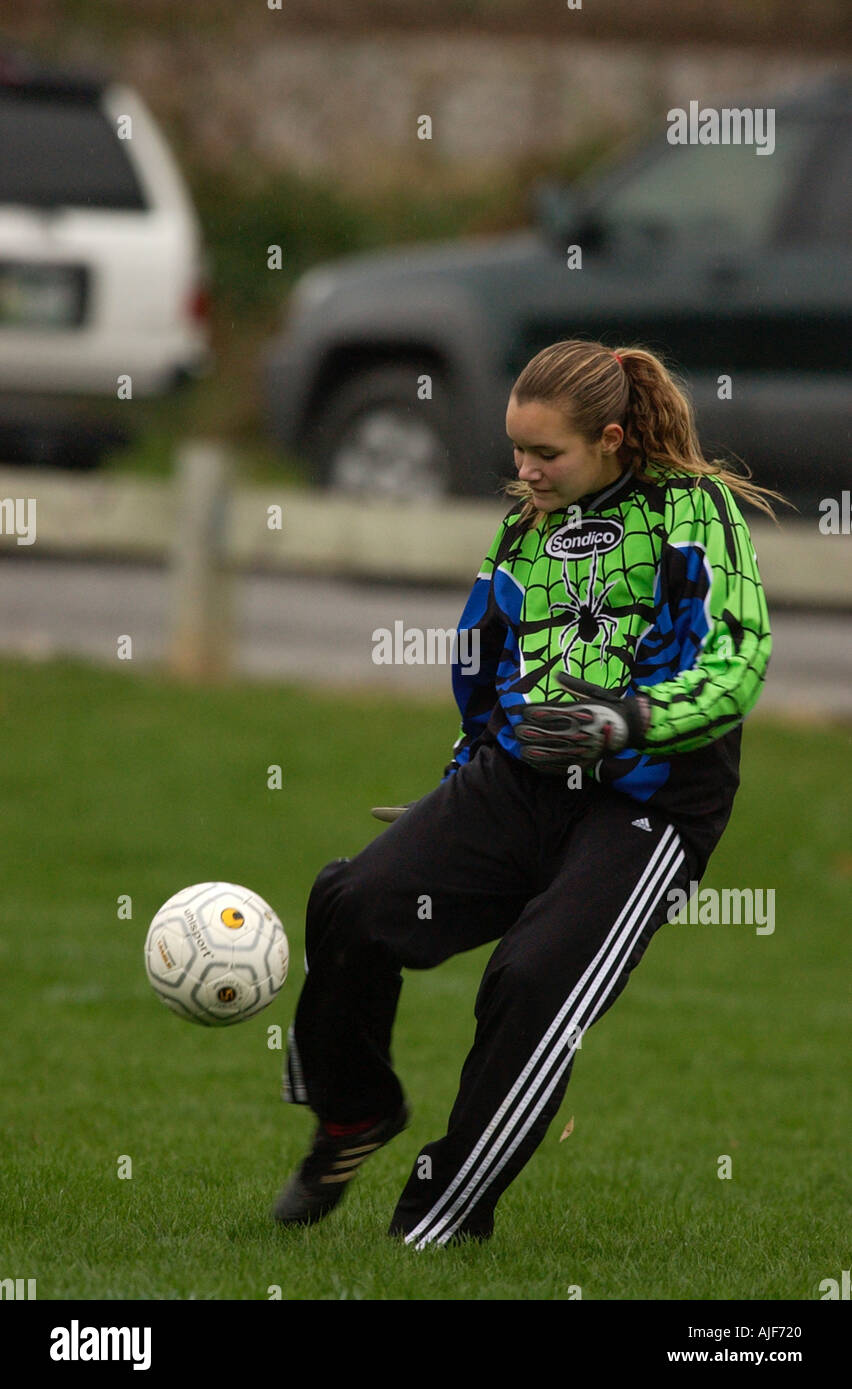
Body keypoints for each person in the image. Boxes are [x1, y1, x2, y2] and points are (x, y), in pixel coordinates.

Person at [273, 338, 778, 1248]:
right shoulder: (525, 528)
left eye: (547, 455)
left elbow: (738, 660)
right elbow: (485, 658)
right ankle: (353, 1114)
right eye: (517, 451)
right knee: (353, 901)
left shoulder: (691, 513)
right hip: (521, 778)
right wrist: (462, 775)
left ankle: (437, 1223)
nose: (526, 472)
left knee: (535, 976)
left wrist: (631, 721)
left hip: (650, 803)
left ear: (614, 438)